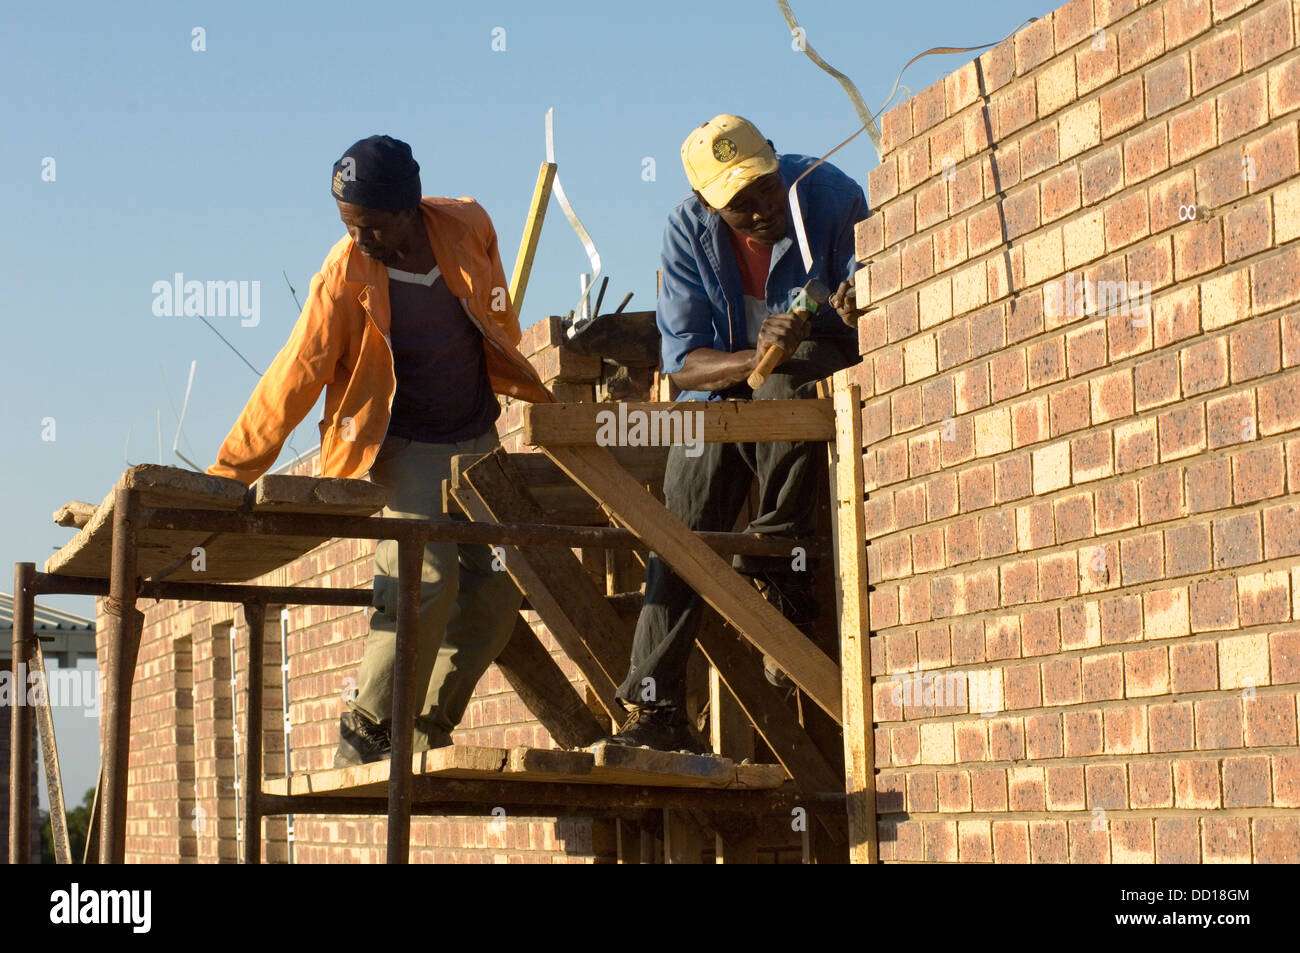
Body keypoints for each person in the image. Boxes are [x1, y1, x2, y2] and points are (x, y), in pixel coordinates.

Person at [206, 135, 552, 767]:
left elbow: (494, 301)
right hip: (403, 447)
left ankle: (420, 731)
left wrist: (503, 359)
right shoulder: (345, 274)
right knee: (427, 580)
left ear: (410, 209)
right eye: (347, 225)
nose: (359, 239)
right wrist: (230, 475)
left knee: (499, 590)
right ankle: (366, 730)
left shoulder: (468, 223)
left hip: (477, 438)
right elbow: (295, 374)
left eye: (370, 226)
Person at [600, 114, 866, 752]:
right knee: (681, 518)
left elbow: (881, 289)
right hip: (723, 389)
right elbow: (684, 364)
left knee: (786, 385)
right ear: (705, 204)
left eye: (767, 190)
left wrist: (863, 301)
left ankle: (778, 569)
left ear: (777, 159)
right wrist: (753, 355)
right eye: (739, 205)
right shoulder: (684, 234)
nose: (761, 211)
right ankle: (655, 709)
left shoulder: (832, 194)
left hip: (808, 376)